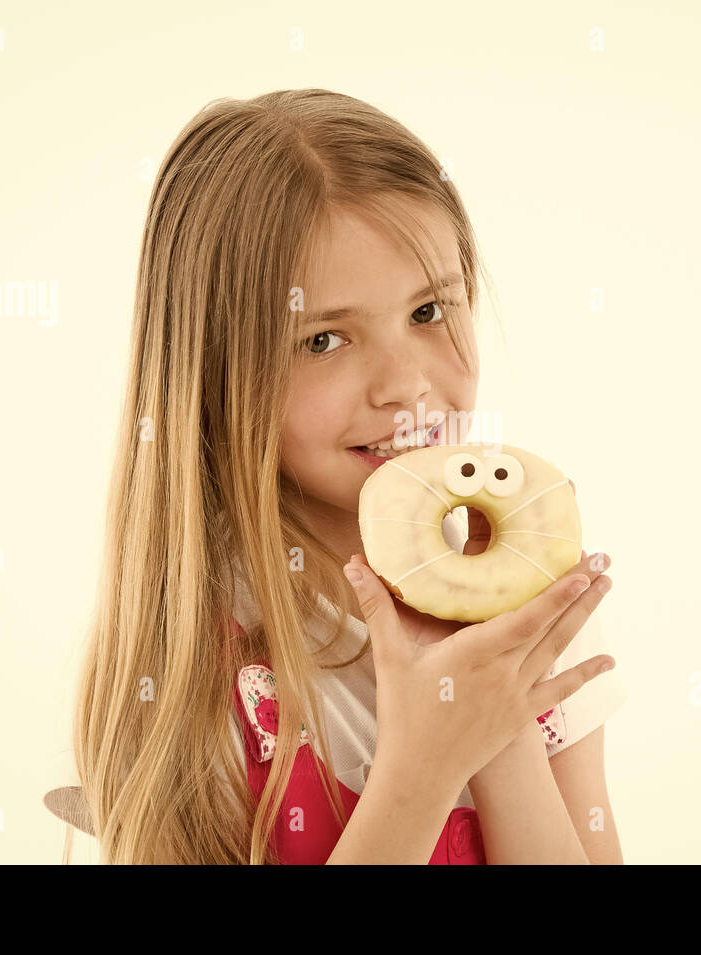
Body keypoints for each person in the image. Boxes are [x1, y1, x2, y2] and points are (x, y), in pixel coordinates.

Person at [60, 89, 629, 864]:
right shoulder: (191, 669)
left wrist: (496, 731)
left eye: (429, 311)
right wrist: (421, 768)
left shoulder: (534, 603)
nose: (404, 385)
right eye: (324, 338)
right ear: (218, 374)